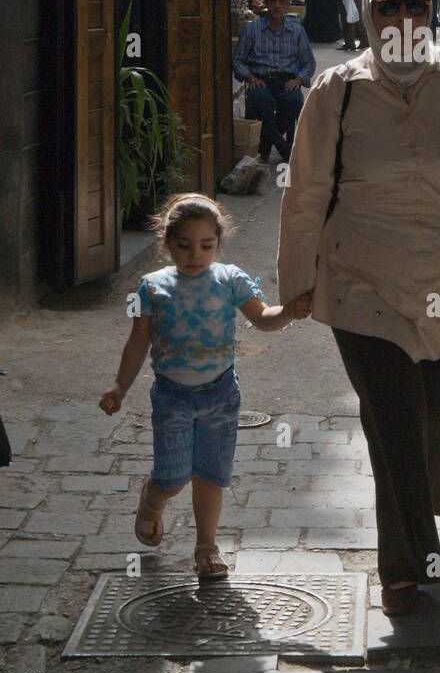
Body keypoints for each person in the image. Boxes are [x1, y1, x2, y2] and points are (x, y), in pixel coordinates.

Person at [277, 0, 440, 615]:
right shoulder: (338, 90)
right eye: (389, 6)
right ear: (368, 13)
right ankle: (406, 565)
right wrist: (297, 280)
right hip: (361, 281)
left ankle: (417, 506)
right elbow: (305, 191)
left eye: (416, 4)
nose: (403, 16)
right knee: (394, 414)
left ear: (431, 11)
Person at [99, 194, 295, 579]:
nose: (195, 255)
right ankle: (153, 500)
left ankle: (206, 548)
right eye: (184, 245)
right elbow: (137, 341)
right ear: (167, 242)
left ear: (218, 242)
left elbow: (263, 318)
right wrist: (120, 386)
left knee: (211, 474)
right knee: (172, 476)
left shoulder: (231, 279)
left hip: (221, 395)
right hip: (171, 397)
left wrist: (289, 312)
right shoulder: (151, 287)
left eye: (206, 245)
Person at [232, 0, 316, 162]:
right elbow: (237, 60)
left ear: (288, 6)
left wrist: (298, 80)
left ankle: (266, 144)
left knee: (293, 102)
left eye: (282, 2)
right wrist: (250, 77)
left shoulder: (297, 31)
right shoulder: (252, 29)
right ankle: (281, 144)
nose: (277, 6)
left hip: (287, 83)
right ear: (266, 3)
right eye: (273, 1)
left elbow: (309, 63)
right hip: (260, 81)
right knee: (260, 100)